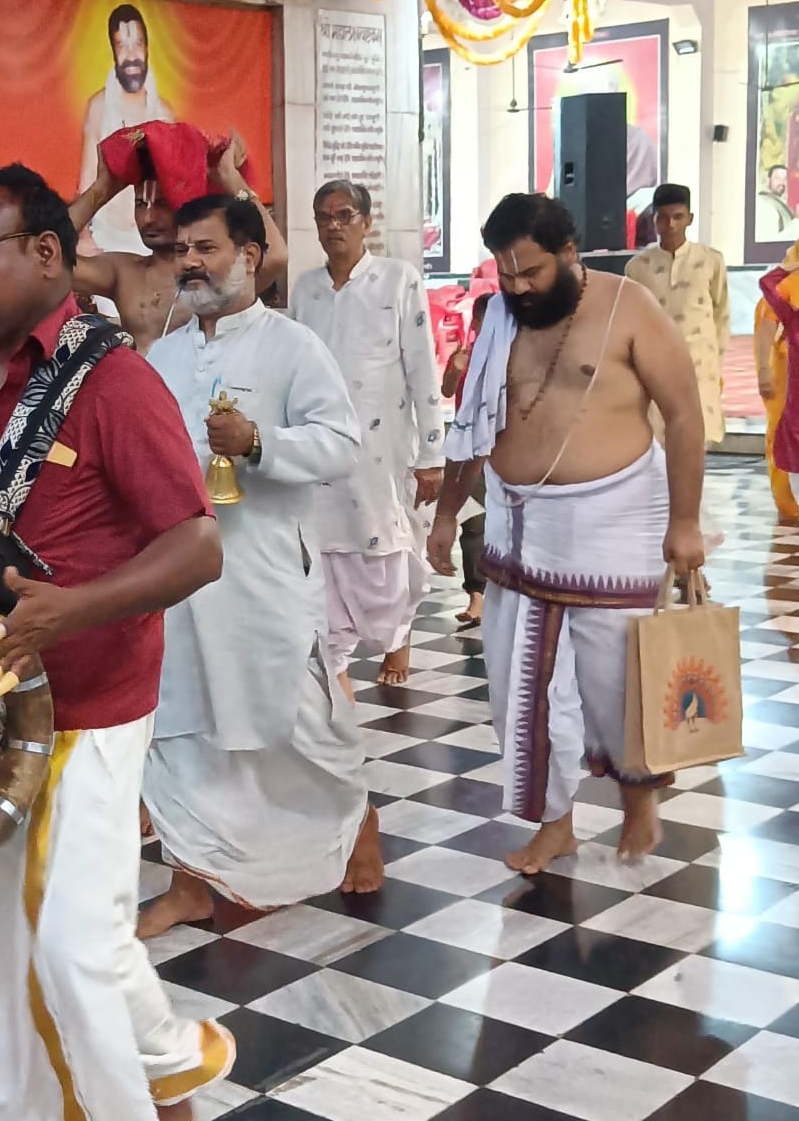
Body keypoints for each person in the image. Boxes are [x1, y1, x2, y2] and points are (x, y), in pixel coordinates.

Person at [0, 163, 231, 1121]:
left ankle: (127, 1098)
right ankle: (25, 1103)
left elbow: (198, 545)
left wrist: (71, 609)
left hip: (88, 697)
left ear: (47, 254)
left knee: (70, 940)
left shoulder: (115, 380)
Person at [427, 193, 706, 873]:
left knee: (619, 683)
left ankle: (640, 799)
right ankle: (556, 824)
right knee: (520, 689)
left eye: (532, 272)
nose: (518, 287)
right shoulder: (495, 320)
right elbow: (472, 428)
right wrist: (443, 515)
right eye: (507, 274)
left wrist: (686, 521)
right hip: (519, 529)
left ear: (570, 254)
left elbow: (685, 412)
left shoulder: (626, 306)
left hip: (613, 523)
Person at [137, 193, 375, 939]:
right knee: (179, 728)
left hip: (262, 569)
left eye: (206, 248)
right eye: (182, 250)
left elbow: (341, 443)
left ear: (249, 256)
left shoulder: (291, 345)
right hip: (180, 576)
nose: (191, 263)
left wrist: (259, 443)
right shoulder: (165, 352)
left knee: (300, 722)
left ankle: (357, 829)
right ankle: (191, 881)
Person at [290, 180, 443, 693]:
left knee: (387, 553)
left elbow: (424, 370)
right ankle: (335, 656)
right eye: (323, 216)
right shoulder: (306, 289)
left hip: (384, 447)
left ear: (366, 223)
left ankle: (397, 635)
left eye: (344, 215)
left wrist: (432, 454)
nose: (333, 225)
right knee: (326, 549)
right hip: (321, 444)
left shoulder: (398, 281)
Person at [71, 126, 289, 354]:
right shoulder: (124, 272)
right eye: (139, 204)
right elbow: (47, 261)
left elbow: (276, 256)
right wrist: (100, 190)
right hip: (140, 388)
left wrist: (232, 180)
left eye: (162, 204)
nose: (148, 218)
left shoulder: (216, 275)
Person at [626, 183, 730, 448]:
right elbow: (630, 320)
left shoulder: (711, 260)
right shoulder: (638, 267)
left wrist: (714, 361)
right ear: (654, 219)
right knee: (655, 440)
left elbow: (721, 313)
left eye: (678, 217)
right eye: (663, 217)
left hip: (699, 364)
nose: (670, 224)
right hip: (653, 365)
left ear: (690, 219)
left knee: (695, 441)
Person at [78, 3, 174, 255]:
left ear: (147, 48)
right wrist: (84, 237)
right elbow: (88, 178)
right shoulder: (99, 107)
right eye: (123, 46)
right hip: (107, 240)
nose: (132, 55)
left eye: (138, 44)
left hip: (155, 242)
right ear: (113, 51)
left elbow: (175, 182)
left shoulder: (163, 112)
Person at [442, 294, 492, 627]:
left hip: (504, 449)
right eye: (484, 321)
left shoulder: (515, 355)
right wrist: (454, 371)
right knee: (474, 522)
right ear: (474, 322)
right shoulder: (465, 356)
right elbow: (446, 392)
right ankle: (477, 596)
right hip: (468, 446)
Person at [755, 238, 799, 521]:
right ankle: (789, 504)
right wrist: (763, 370)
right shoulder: (789, 280)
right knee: (787, 431)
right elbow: (767, 323)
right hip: (791, 371)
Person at [758, 165, 796, 241]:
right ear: (768, 180)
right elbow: (769, 240)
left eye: (785, 179)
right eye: (777, 178)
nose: (782, 182)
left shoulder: (780, 201)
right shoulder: (763, 203)